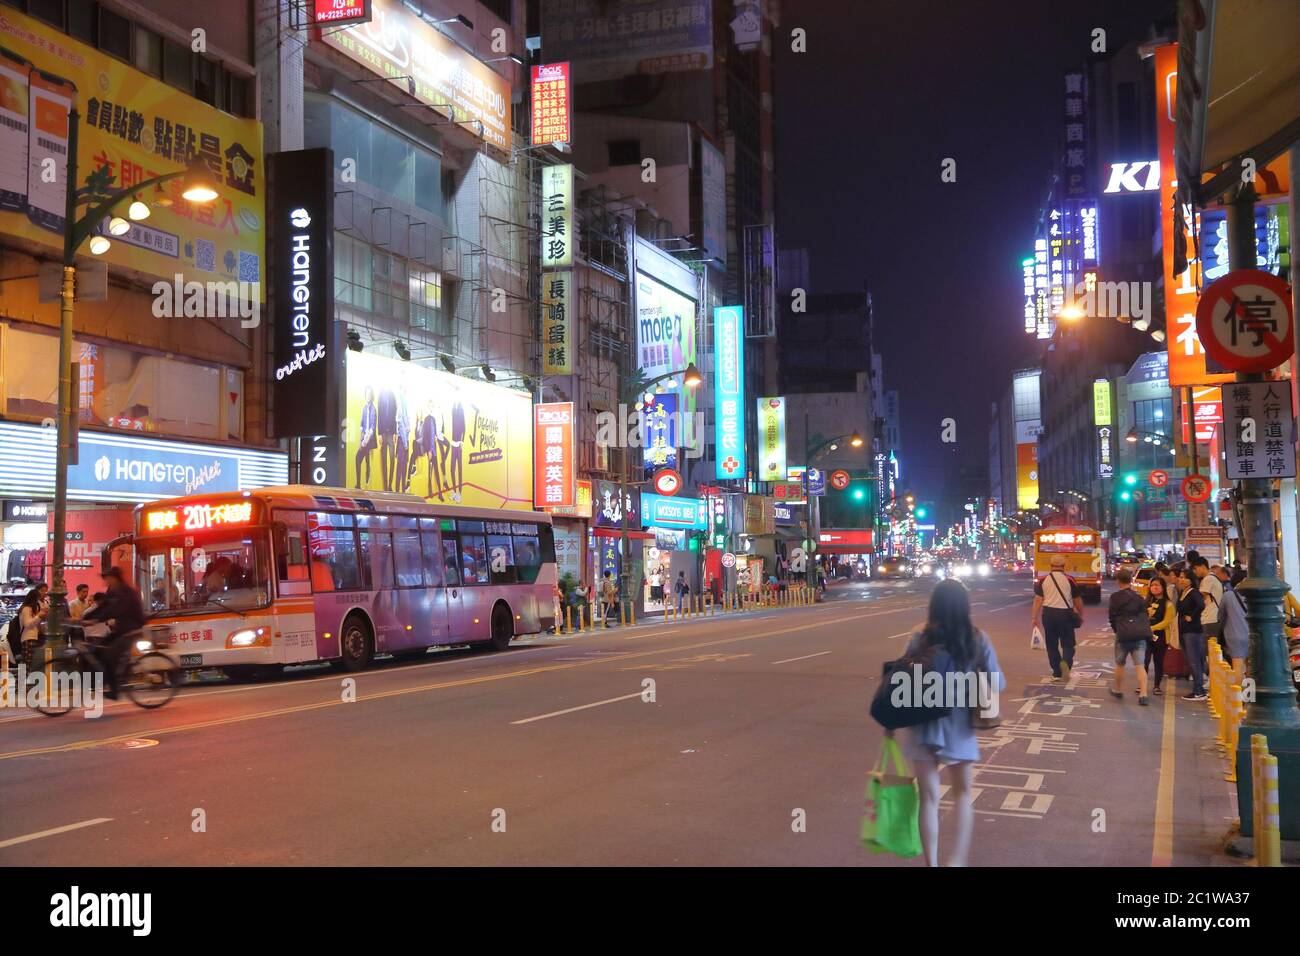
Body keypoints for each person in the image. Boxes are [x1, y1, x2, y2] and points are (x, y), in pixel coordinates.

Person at [894, 578, 1003, 867]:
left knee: (928, 798)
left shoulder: (920, 635)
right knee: (963, 794)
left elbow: (901, 676)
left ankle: (932, 864)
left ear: (934, 606)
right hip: (960, 723)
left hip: (923, 723)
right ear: (965, 606)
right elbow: (997, 681)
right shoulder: (977, 637)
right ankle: (956, 860)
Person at [81, 566, 146, 701]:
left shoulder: (127, 592)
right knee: (97, 650)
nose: (106, 580)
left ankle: (114, 690)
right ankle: (100, 681)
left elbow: (116, 611)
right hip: (120, 630)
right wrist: (84, 619)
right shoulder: (112, 591)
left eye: (108, 577)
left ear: (115, 577)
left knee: (109, 656)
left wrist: (96, 620)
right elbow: (103, 607)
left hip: (131, 630)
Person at [1031, 555, 1083, 682]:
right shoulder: (1070, 579)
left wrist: (1034, 617)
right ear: (1064, 566)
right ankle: (1065, 662)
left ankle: (1056, 672)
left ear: (1051, 565)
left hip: (1048, 614)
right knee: (1068, 643)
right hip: (1065, 614)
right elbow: (1077, 599)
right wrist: (1080, 613)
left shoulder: (1043, 580)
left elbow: (1038, 600)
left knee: (1052, 645)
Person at [1108, 568, 1152, 704]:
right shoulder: (1138, 597)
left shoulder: (1115, 597)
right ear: (1131, 580)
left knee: (1120, 664)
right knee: (1139, 665)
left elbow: (1112, 617)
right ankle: (1143, 694)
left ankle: (1118, 689)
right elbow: (1145, 613)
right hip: (1139, 634)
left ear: (1118, 581)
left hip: (1123, 635)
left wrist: (1117, 630)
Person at [1176, 568, 1208, 701]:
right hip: (1184, 630)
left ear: (1191, 580)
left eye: (1185, 577)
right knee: (1192, 660)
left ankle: (1198, 690)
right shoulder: (1183, 592)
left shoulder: (1193, 592)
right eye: (1180, 577)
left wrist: (1192, 616)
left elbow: (1201, 605)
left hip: (1193, 631)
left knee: (1194, 661)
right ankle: (1198, 688)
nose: (1182, 579)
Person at [1145, 576, 1176, 695]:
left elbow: (1167, 621)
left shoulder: (1168, 604)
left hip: (1161, 636)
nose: (1154, 587)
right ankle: (1142, 685)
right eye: (1152, 585)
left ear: (1163, 587)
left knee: (1158, 661)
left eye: (1157, 585)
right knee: (1145, 660)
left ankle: (1157, 686)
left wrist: (1152, 628)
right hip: (1146, 636)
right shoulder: (1146, 601)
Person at [1217, 571, 1249, 668]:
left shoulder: (1228, 596)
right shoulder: (1253, 596)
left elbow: (1220, 617)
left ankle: (1239, 683)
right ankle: (1248, 683)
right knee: (1250, 665)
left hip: (1234, 636)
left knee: (1238, 665)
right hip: (1252, 635)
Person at [1192, 557, 1223, 656]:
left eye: (1195, 568)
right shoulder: (1214, 577)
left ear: (1202, 566)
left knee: (1210, 652)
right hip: (1214, 618)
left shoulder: (1208, 579)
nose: (1195, 572)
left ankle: (1214, 671)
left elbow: (1200, 597)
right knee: (1213, 650)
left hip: (1210, 618)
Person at [354, 385, 378, 488]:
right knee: (361, 458)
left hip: (370, 439)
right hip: (364, 437)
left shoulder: (373, 409)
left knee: (358, 457)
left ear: (372, 395)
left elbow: (372, 428)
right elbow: (362, 424)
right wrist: (361, 439)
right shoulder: (364, 408)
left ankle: (359, 484)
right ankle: (361, 480)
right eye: (366, 394)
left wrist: (364, 441)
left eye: (369, 394)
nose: (368, 396)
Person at [16, 586, 47, 664]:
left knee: (28, 662)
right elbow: (28, 624)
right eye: (37, 599)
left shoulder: (31, 609)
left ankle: (23, 675)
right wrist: (38, 616)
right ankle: (23, 676)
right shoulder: (26, 609)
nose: (37, 602)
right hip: (28, 638)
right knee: (28, 662)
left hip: (32, 637)